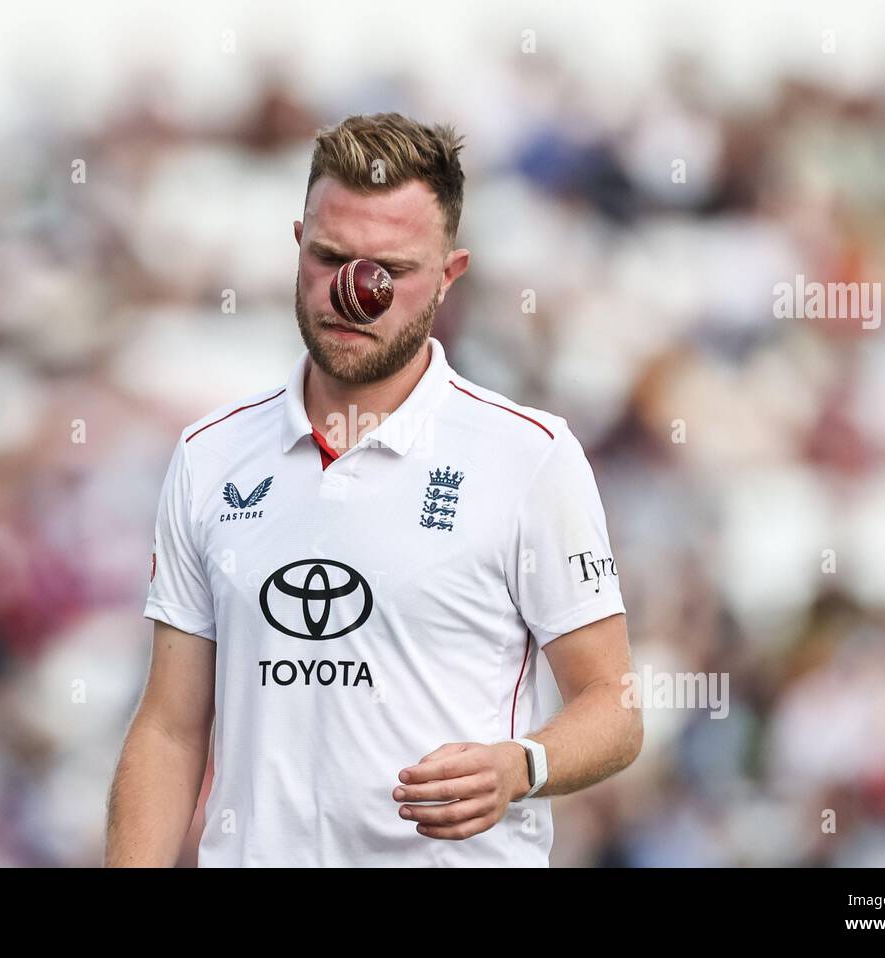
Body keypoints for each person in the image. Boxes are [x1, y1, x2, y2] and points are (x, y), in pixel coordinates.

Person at [106, 112, 640, 867]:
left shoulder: (530, 456)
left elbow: (613, 707)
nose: (356, 293)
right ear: (298, 246)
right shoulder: (210, 456)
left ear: (450, 275)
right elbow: (170, 726)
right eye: (331, 258)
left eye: (391, 269)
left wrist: (522, 765)